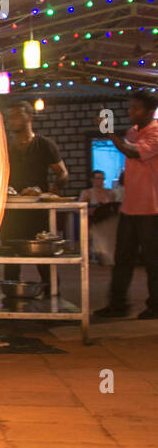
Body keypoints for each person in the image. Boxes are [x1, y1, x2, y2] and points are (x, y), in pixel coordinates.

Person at [94, 91, 158, 319]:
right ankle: (117, 304)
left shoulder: (155, 132)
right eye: (130, 108)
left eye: (136, 109)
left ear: (150, 112)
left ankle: (155, 307)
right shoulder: (133, 132)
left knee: (153, 261)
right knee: (122, 258)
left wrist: (109, 132)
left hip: (152, 209)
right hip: (131, 207)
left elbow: (132, 152)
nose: (130, 112)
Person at [0, 101, 69, 289]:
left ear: (29, 117)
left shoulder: (44, 145)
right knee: (10, 257)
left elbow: (62, 172)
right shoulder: (5, 147)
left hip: (38, 210)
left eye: (17, 116)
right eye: (10, 117)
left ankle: (52, 292)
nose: (12, 121)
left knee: (43, 256)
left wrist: (54, 189)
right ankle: (10, 296)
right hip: (12, 211)